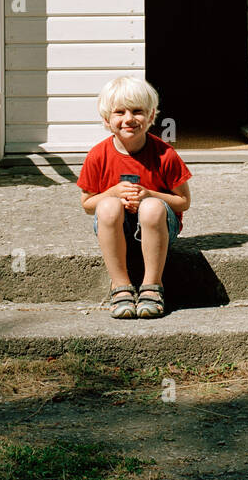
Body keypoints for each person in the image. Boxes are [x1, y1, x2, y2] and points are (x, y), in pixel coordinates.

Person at [77, 76, 191, 319]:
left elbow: (184, 202)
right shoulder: (97, 155)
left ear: (151, 117)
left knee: (150, 207)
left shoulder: (165, 154)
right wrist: (113, 193)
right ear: (107, 121)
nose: (129, 119)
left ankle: (152, 286)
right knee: (107, 205)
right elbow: (88, 204)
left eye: (137, 111)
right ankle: (120, 287)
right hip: (116, 227)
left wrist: (150, 194)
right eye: (120, 112)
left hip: (159, 226)